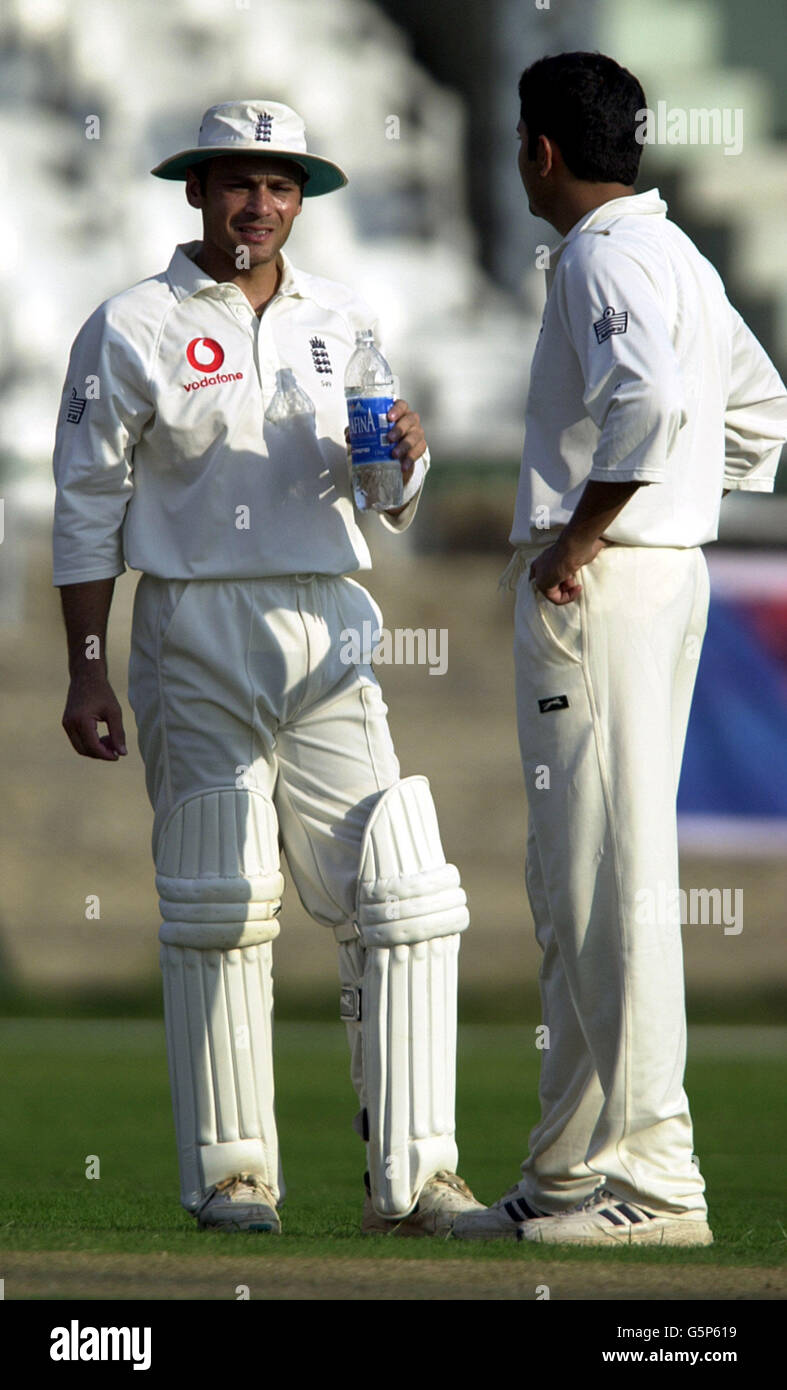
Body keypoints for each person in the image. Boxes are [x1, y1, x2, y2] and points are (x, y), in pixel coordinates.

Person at [53, 100, 483, 1236]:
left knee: (401, 889)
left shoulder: (342, 318)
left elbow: (387, 496)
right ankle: (235, 1173)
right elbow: (87, 506)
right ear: (196, 190)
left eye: (280, 186)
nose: (259, 205)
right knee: (219, 893)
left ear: (302, 200)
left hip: (329, 612)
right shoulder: (131, 324)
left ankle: (418, 1176)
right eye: (238, 183)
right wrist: (87, 669)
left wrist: (406, 467)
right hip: (194, 617)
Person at [454, 53, 787, 1245]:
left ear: (539, 150)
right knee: (579, 885)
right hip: (651, 575)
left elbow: (647, 402)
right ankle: (567, 1178)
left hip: (596, 583)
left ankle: (657, 1185)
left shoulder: (601, 255)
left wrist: (589, 536)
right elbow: (761, 412)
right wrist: (677, 510)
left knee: (609, 888)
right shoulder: (673, 251)